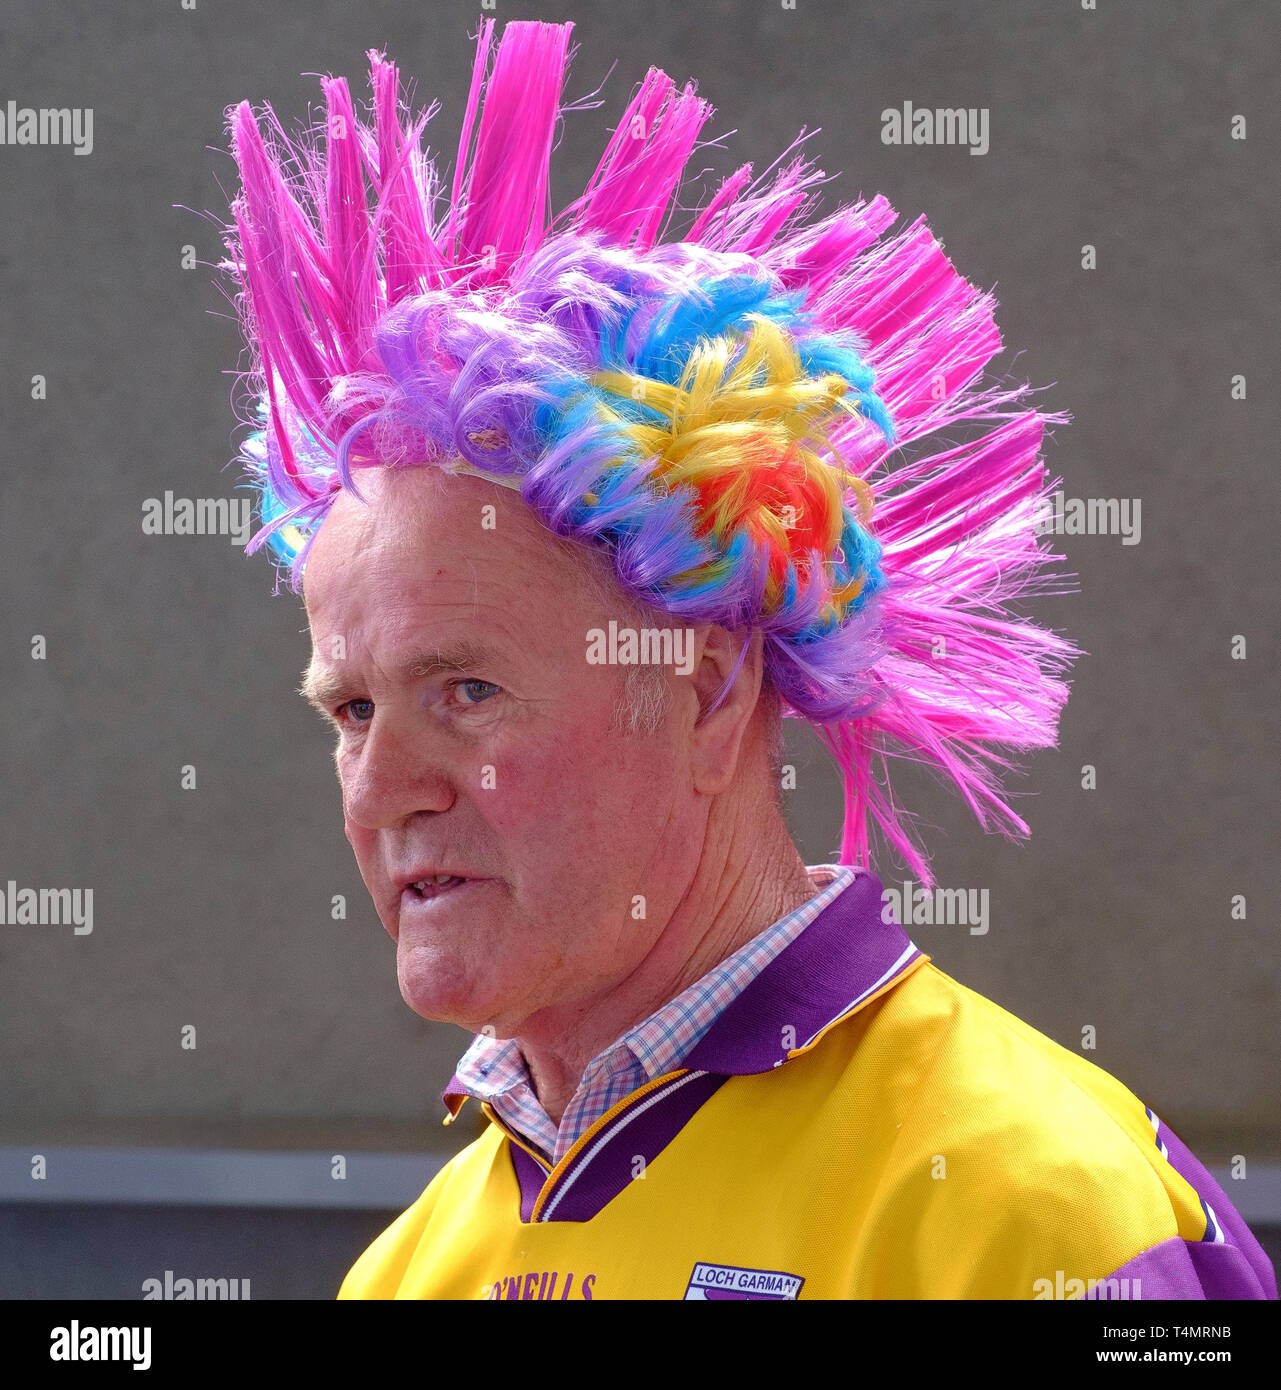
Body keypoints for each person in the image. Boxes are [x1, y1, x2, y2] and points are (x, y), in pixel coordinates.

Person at [215, 18, 1276, 1300]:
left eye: (467, 692)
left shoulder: (1023, 1213)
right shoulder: (407, 1273)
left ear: (710, 689)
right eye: (351, 708)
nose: (386, 786)